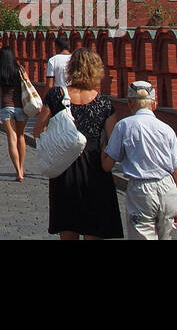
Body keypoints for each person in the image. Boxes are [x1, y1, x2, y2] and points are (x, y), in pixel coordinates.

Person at [33, 48, 123, 240]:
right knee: (93, 230)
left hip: (64, 168)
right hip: (94, 170)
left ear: (71, 68)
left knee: (68, 230)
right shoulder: (104, 103)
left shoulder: (57, 95)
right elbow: (113, 141)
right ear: (96, 70)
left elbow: (38, 129)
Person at [102, 80, 177, 240]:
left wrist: (103, 146)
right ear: (154, 104)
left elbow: (107, 165)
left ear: (129, 103)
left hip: (141, 190)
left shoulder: (124, 126)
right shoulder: (167, 129)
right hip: (168, 188)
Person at [0, 45, 29, 181]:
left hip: (6, 107)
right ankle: (22, 167)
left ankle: (18, 172)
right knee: (21, 136)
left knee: (11, 138)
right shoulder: (20, 69)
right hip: (21, 107)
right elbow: (27, 84)